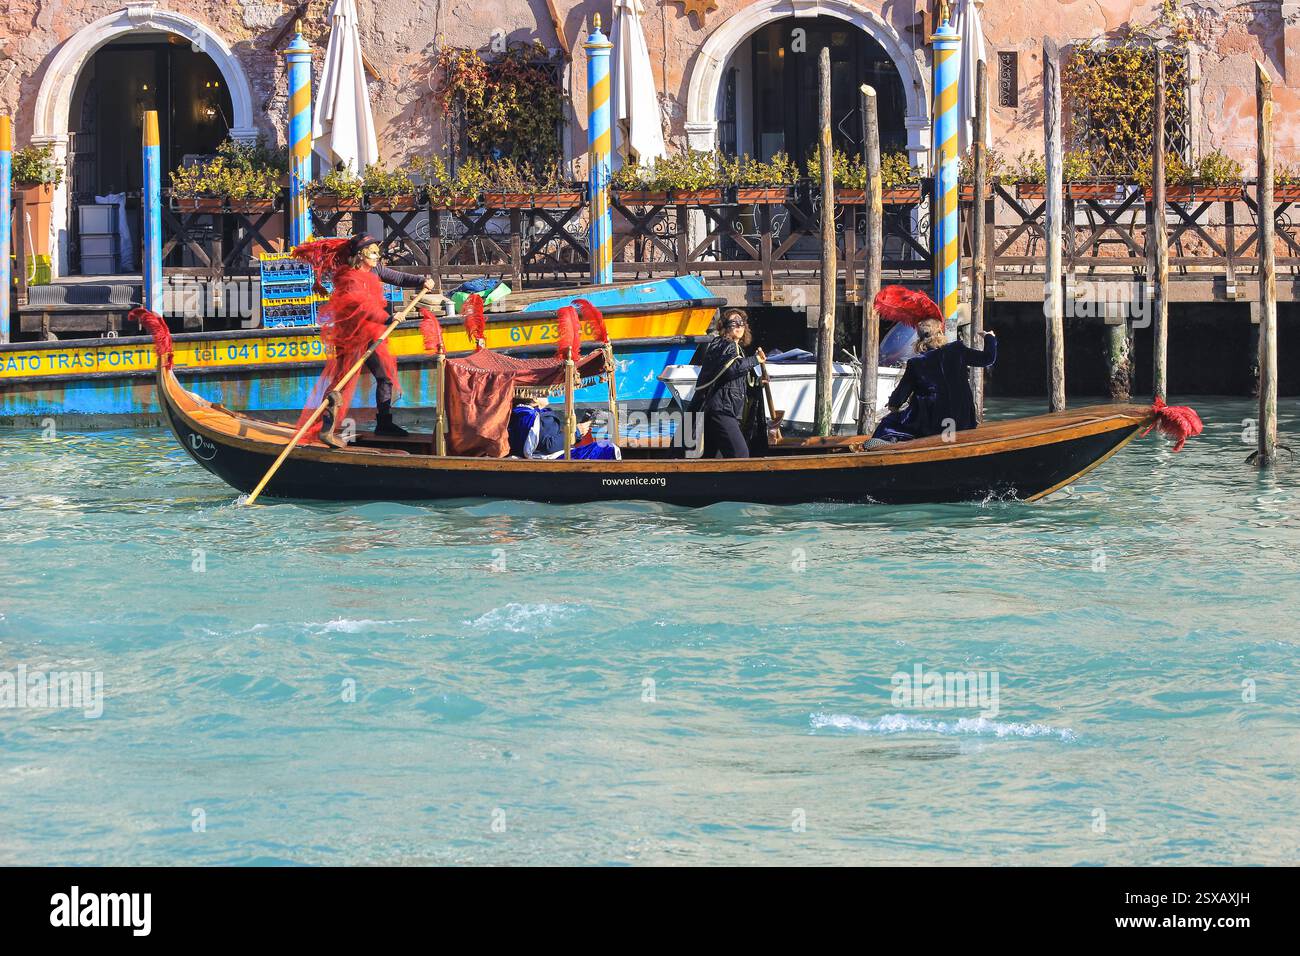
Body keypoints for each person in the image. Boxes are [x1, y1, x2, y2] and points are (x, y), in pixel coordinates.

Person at [290, 233, 441, 443]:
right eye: (373, 252)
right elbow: (362, 308)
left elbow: (396, 277)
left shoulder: (375, 269)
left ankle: (384, 424)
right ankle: (325, 425)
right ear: (361, 255)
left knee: (385, 377)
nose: (377, 256)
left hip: (372, 332)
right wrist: (388, 318)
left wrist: (421, 281)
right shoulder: (349, 278)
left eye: (377, 252)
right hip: (352, 334)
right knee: (343, 379)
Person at [869, 289, 997, 444]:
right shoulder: (957, 350)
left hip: (933, 426)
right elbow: (988, 358)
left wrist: (892, 406)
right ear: (940, 331)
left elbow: (899, 397)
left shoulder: (916, 363)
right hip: (963, 422)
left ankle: (887, 444)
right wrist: (990, 338)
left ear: (919, 336)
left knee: (888, 424)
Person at [688, 310, 770, 458]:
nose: (738, 325)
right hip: (721, 410)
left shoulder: (736, 349)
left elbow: (736, 380)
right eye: (734, 323)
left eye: (741, 323)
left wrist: (757, 383)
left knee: (710, 456)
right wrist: (755, 360)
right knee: (740, 455)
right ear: (725, 327)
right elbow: (731, 370)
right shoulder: (723, 344)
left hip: (722, 410)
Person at [507, 397, 621, 460]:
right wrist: (575, 432)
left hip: (546, 455)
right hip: (549, 458)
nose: (548, 393)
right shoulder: (533, 416)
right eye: (544, 393)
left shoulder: (521, 414)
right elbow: (548, 446)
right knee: (607, 447)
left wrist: (576, 432)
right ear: (535, 398)